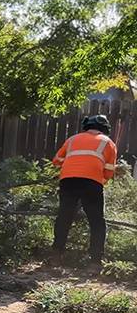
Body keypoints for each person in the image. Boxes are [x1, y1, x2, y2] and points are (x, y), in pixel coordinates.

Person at [50, 114, 118, 268]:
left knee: (64, 217)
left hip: (68, 180)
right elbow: (108, 172)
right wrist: (99, 183)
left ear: (87, 126)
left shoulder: (72, 139)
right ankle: (95, 262)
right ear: (105, 128)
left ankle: (56, 255)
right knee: (96, 222)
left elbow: (57, 161)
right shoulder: (109, 143)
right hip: (92, 183)